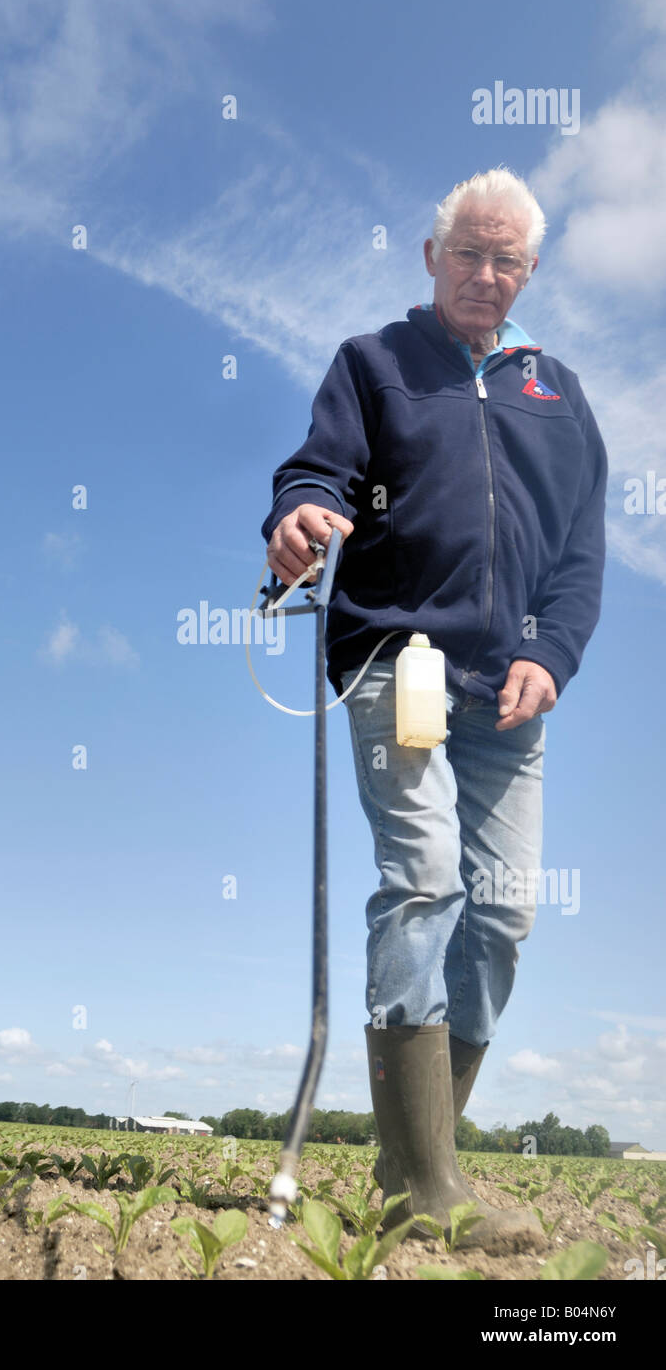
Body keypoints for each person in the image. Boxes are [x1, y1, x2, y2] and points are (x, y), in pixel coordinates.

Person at [260, 168, 607, 1253]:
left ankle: (418, 1161)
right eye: (469, 252)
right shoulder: (375, 364)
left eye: (506, 259)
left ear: (530, 272)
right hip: (397, 660)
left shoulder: (559, 393)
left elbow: (583, 553)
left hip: (509, 695)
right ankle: (421, 1185)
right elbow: (318, 471)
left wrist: (553, 652)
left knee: (501, 915)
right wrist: (306, 510)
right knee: (424, 881)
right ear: (431, 255)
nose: (486, 273)